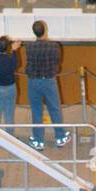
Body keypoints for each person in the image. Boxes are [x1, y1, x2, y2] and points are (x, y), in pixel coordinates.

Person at [24, 21, 70, 149]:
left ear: (34, 32)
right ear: (45, 30)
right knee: (55, 109)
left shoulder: (29, 47)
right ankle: (60, 137)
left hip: (33, 81)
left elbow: (29, 64)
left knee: (36, 110)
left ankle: (38, 140)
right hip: (49, 81)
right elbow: (57, 62)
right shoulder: (54, 46)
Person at [0, 35, 22, 131]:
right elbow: (16, 64)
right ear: (8, 48)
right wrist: (14, 50)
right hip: (10, 89)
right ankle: (10, 139)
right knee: (9, 114)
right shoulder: (11, 59)